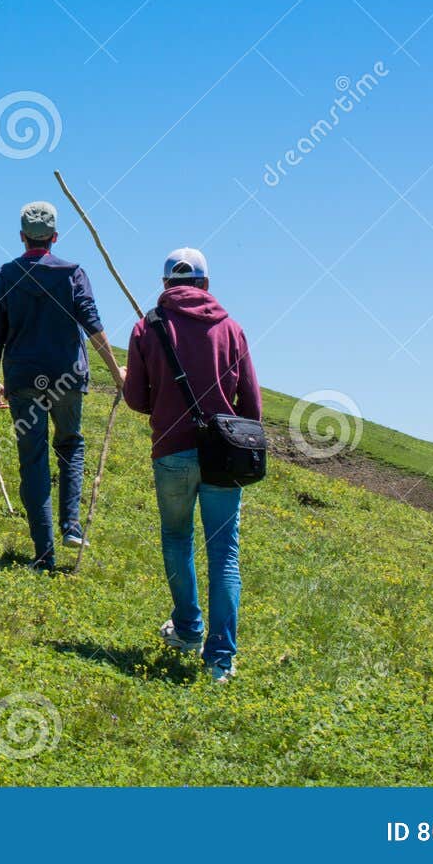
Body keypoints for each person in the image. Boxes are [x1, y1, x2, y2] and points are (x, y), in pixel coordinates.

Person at [123, 248, 260, 684]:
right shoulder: (231, 329)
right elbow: (252, 407)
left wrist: (163, 402)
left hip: (171, 452)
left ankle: (186, 628)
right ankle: (220, 658)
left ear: (165, 285)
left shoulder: (147, 327)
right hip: (224, 456)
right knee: (224, 554)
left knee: (177, 537)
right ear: (206, 284)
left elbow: (136, 399)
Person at [0, 202, 126, 571]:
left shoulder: (3, 276)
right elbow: (93, 325)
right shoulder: (73, 273)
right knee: (70, 444)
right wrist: (117, 373)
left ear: (22, 237)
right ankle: (71, 525)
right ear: (55, 237)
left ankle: (43, 553)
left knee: (33, 460)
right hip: (67, 376)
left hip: (23, 379)